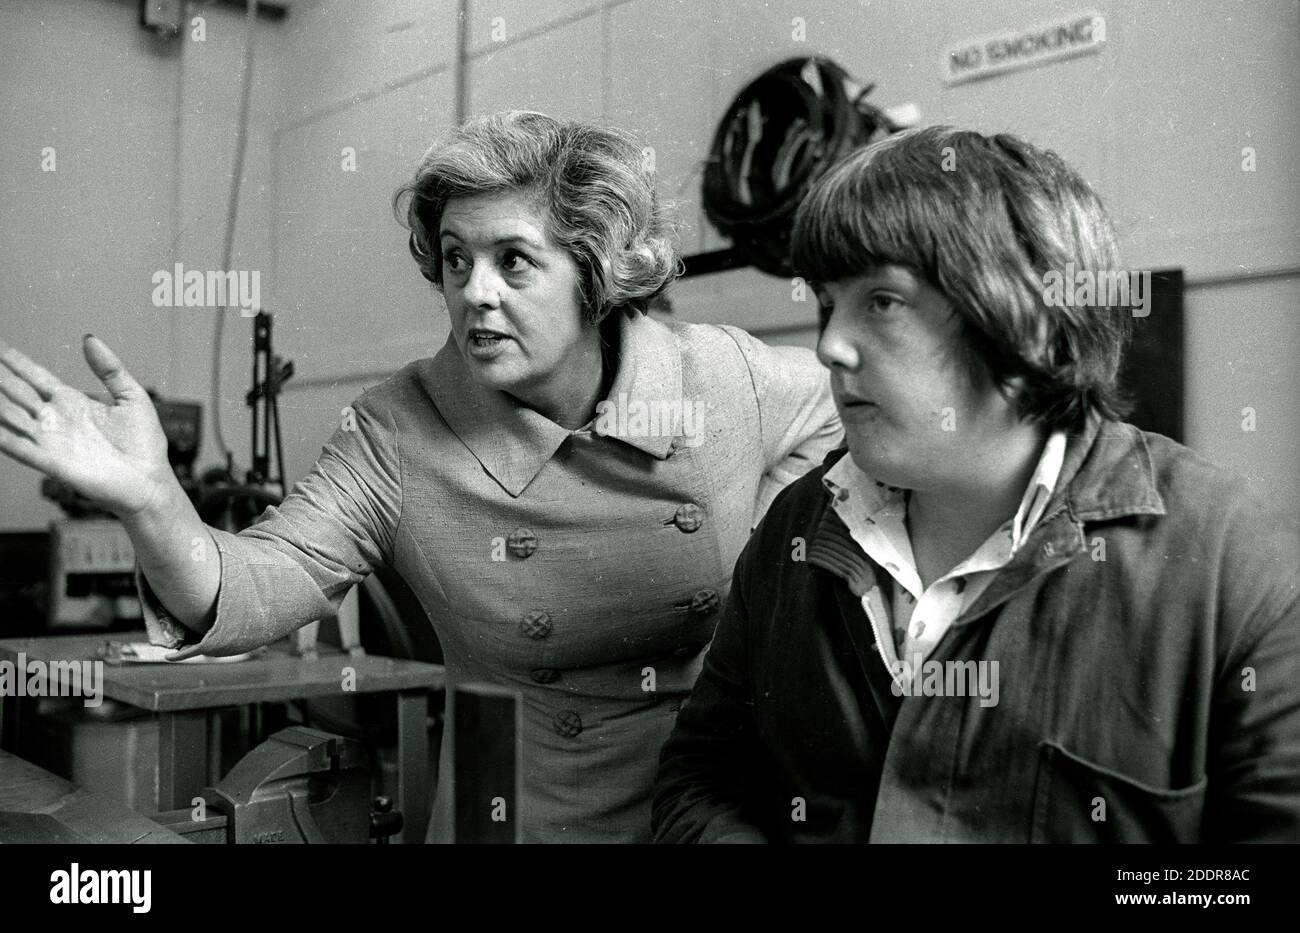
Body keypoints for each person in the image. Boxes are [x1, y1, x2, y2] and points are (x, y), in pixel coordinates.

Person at [0, 111, 841, 842]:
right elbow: (263, 582)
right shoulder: (399, 427)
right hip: (511, 801)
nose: (474, 292)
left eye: (514, 260)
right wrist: (153, 500)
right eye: (453, 259)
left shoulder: (723, 380)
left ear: (594, 271)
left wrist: (771, 564)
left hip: (709, 804)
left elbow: (840, 412)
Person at [652, 126, 1300, 843]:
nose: (830, 345)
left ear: (1026, 320)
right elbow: (697, 778)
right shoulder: (796, 530)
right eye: (829, 303)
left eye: (882, 302)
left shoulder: (1236, 566)